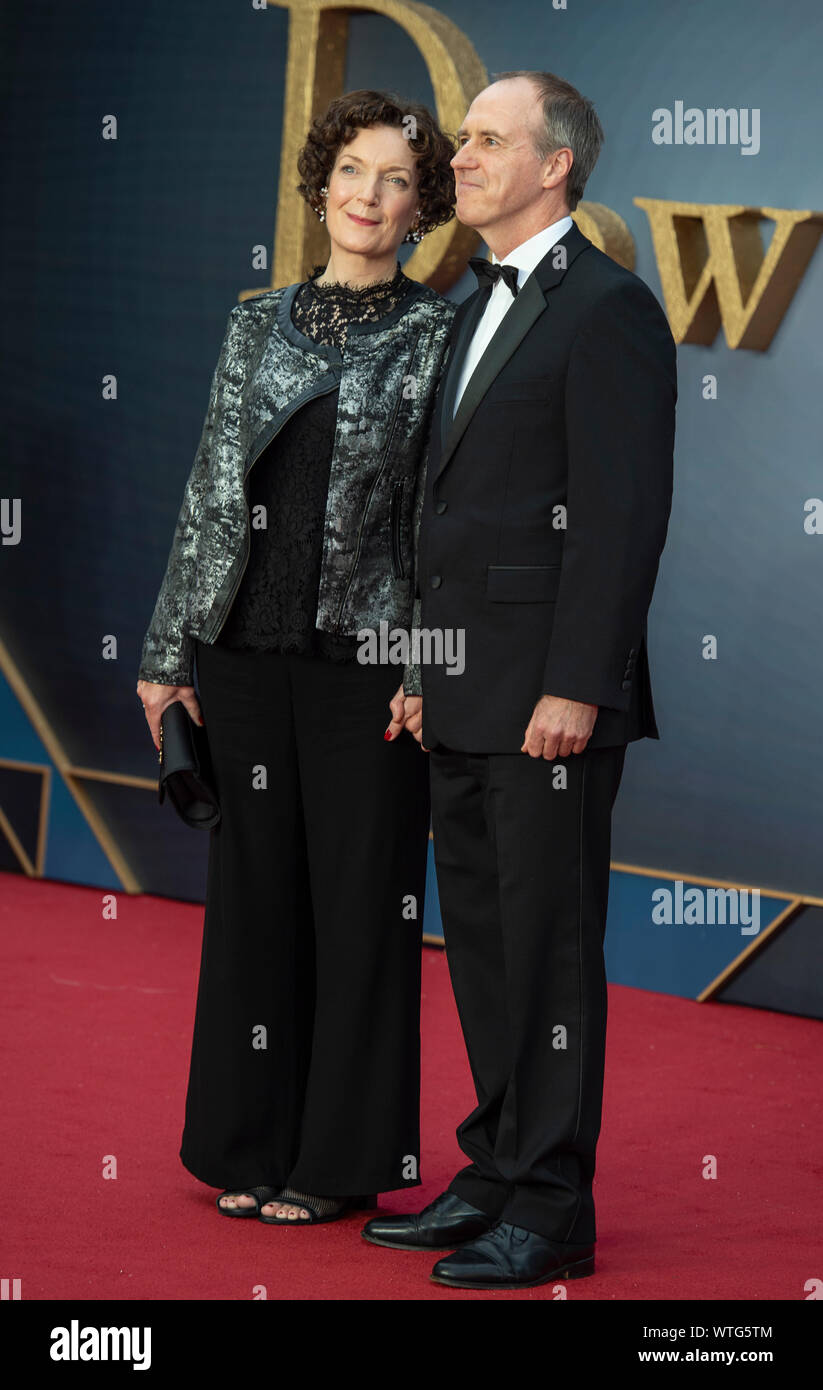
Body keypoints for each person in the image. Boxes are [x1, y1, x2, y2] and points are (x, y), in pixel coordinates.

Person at [363, 70, 677, 1286]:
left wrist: (578, 686)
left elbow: (618, 519)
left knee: (547, 954)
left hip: (550, 703)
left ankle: (551, 1207)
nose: (461, 155)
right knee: (485, 945)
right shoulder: (464, 303)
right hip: (462, 689)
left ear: (555, 165)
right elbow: (449, 525)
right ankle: (494, 1170)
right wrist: (419, 671)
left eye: (487, 140)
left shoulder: (606, 309)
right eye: (463, 138)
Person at [136, 89, 457, 1226]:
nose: (370, 197)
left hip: (367, 665)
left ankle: (339, 1161)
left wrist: (427, 667)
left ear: (423, 208)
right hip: (241, 657)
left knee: (364, 912)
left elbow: (439, 521)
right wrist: (167, 650)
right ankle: (250, 1142)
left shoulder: (438, 337)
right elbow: (208, 496)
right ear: (320, 185)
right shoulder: (252, 321)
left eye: (397, 181)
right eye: (354, 172)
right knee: (257, 906)